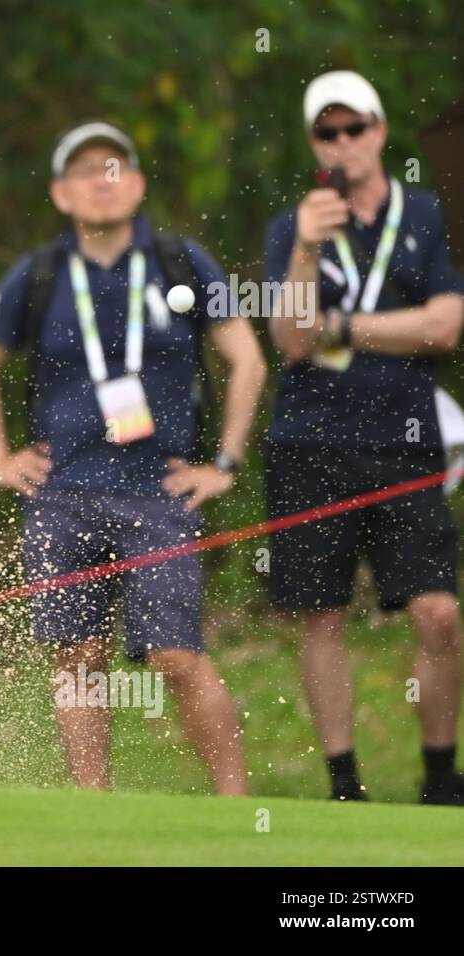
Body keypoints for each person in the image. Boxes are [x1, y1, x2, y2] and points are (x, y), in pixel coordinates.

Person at [0, 122, 266, 795]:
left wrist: (226, 463)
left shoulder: (182, 263)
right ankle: (92, 808)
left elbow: (246, 358)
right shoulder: (38, 275)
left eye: (114, 169)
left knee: (176, 657)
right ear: (60, 194)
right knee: (78, 657)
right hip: (62, 494)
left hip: (158, 495)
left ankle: (239, 808)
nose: (101, 184)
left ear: (137, 184)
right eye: (84, 173)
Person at [264, 71, 464, 804]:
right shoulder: (294, 227)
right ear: (315, 143)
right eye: (328, 132)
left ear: (379, 131)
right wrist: (309, 256)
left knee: (438, 612)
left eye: (355, 128)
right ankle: (344, 786)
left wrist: (345, 328)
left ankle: (440, 777)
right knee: (321, 615)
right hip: (308, 443)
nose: (343, 143)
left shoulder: (426, 214)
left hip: (404, 444)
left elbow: (445, 325)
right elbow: (290, 338)